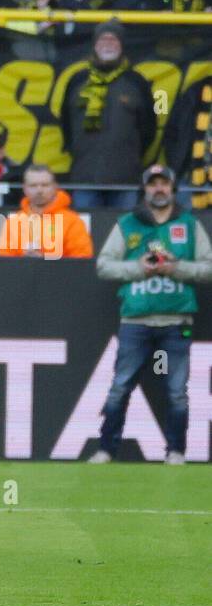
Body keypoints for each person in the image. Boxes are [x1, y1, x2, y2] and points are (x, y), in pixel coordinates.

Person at [91, 164, 212, 464]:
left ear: (173, 188)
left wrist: (176, 268)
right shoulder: (128, 224)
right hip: (136, 320)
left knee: (176, 392)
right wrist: (139, 268)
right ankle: (106, 449)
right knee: (120, 387)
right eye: (153, 184)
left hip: (176, 321)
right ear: (145, 189)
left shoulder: (189, 224)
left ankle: (176, 452)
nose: (159, 189)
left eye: (164, 184)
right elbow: (103, 265)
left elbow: (209, 268)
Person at [59, 20, 155, 209]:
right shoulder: (77, 80)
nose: (108, 44)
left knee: (125, 235)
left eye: (114, 40)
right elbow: (65, 124)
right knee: (86, 236)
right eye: (103, 40)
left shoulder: (137, 82)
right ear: (94, 45)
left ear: (122, 46)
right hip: (85, 177)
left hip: (125, 179)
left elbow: (148, 129)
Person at [0, 164, 94, 258]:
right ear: (25, 188)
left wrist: (44, 261)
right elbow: (4, 259)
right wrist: (24, 260)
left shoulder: (72, 221)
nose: (39, 190)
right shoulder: (13, 222)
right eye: (33, 185)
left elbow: (82, 260)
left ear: (55, 187)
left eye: (45, 185)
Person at [162, 69, 212, 210]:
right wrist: (176, 161)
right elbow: (173, 130)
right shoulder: (197, 90)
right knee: (184, 228)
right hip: (191, 178)